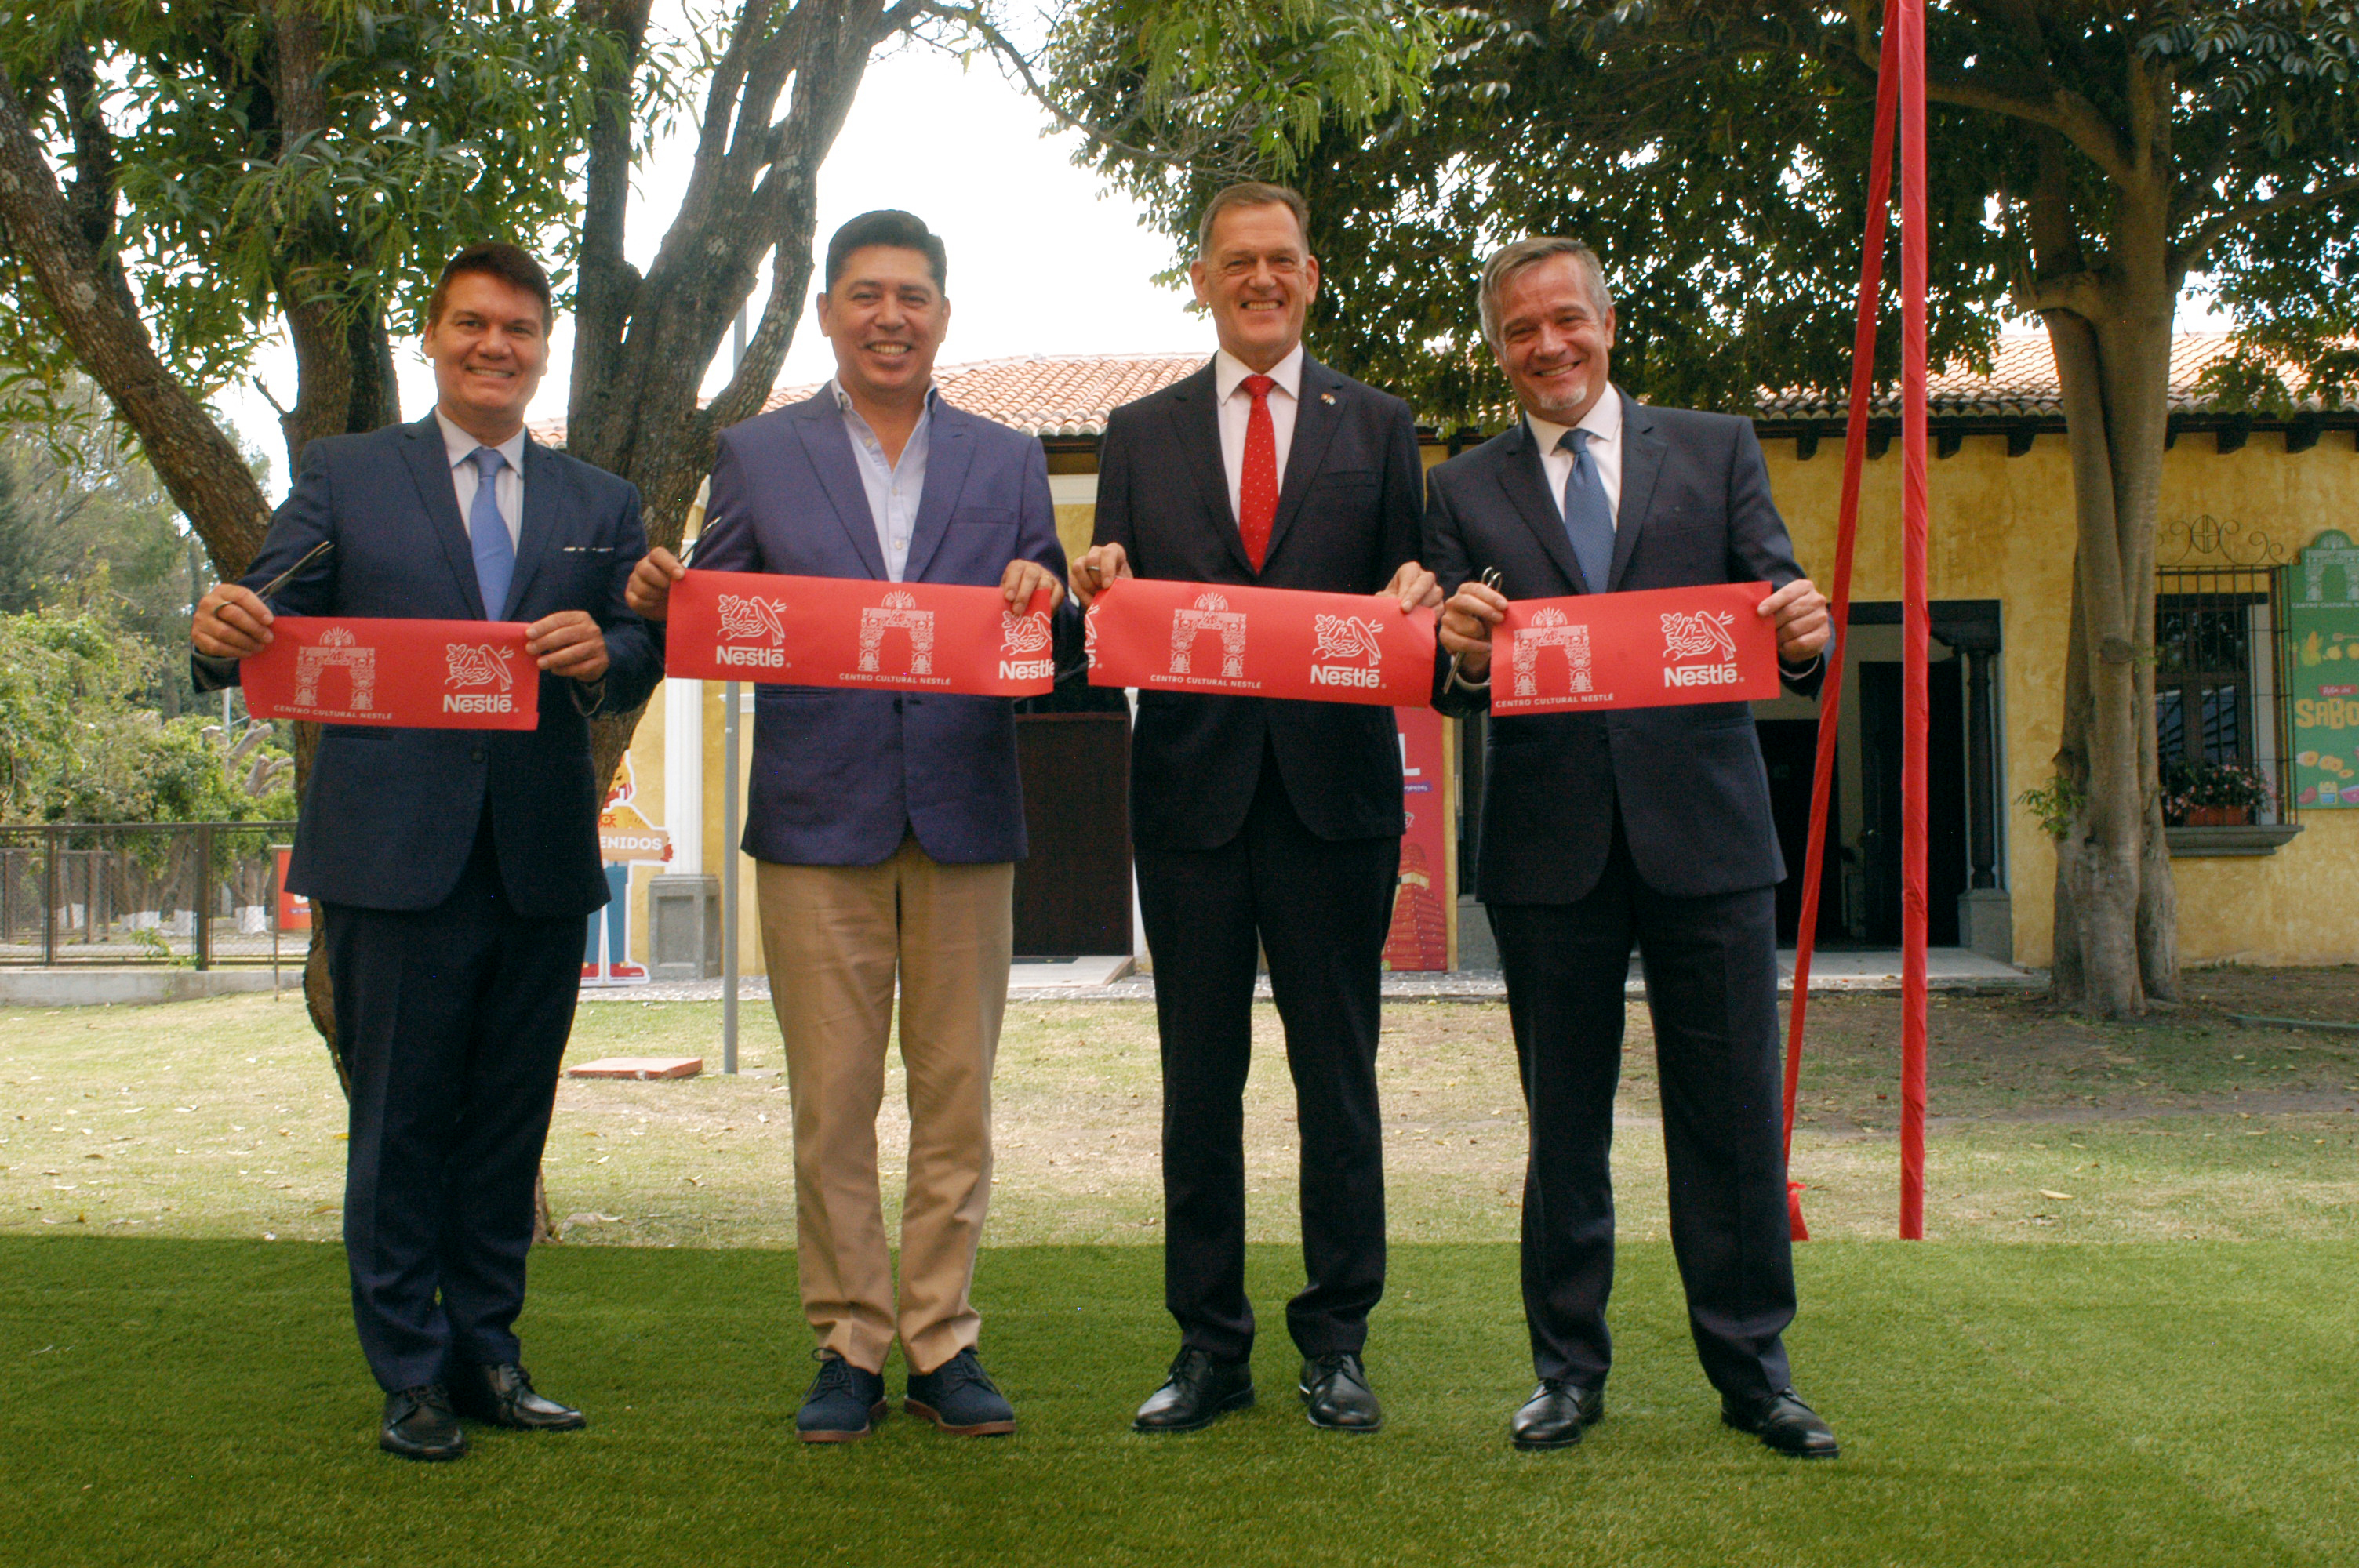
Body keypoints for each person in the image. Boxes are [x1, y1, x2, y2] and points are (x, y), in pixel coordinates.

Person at [190, 243, 660, 1461]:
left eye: (516, 328)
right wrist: (218, 628)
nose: (493, 346)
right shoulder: (347, 475)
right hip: (391, 857)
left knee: (509, 1124)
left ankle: (489, 1358)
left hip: (543, 861)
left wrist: (611, 648)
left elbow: (643, 642)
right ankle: (408, 1374)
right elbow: (262, 613)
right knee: (400, 1124)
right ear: (434, 337)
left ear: (543, 344)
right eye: (471, 325)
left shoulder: (597, 502)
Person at [627, 210, 1063, 1443]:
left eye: (913, 295)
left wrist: (1046, 589)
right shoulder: (758, 455)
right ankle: (849, 1342)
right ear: (827, 310)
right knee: (831, 1101)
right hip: (820, 821)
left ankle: (942, 1342)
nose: (891, 315)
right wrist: (670, 599)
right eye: (866, 293)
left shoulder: (1006, 461)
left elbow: (1048, 634)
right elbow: (714, 614)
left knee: (957, 1097)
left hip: (968, 813)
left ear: (942, 316)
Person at [1425, 237, 1837, 1457]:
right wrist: (1455, 645)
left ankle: (1755, 1369)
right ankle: (1566, 1369)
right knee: (1565, 1129)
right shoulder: (1463, 489)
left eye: (1567, 321)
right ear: (1498, 349)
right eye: (1519, 331)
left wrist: (1808, 633)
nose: (1547, 347)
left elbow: (1780, 619)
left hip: (1707, 840)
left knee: (1732, 1120)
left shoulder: (1714, 450)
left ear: (1609, 323)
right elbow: (1459, 681)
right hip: (1549, 854)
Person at [1070, 183, 1438, 1435]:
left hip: (1337, 806)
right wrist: (1099, 583)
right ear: (1203, 277)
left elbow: (1419, 606)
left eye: (1281, 259)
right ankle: (1207, 1346)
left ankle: (1338, 1340)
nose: (1261, 279)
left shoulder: (1379, 426)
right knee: (1199, 1084)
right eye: (1239, 261)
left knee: (1339, 1080)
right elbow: (1111, 621)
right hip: (1192, 803)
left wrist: (1417, 587)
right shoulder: (1140, 431)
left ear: (1312, 274)